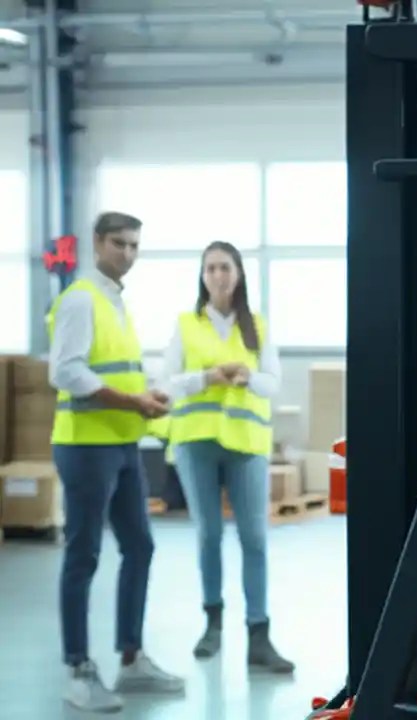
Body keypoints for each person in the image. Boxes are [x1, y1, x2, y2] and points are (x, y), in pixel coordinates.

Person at [48, 211, 186, 713]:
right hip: (86, 446)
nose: (127, 254)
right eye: (118, 244)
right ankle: (77, 669)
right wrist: (134, 403)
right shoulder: (81, 298)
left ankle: (131, 660)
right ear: (97, 243)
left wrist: (146, 395)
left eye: (133, 245)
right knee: (83, 554)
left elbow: (114, 371)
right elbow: (65, 372)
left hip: (123, 443)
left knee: (140, 547)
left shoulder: (113, 301)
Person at [163, 241, 295, 674]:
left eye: (225, 267)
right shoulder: (185, 325)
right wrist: (207, 377)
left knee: (255, 538)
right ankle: (212, 626)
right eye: (211, 268)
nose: (218, 275)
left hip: (246, 444)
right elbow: (166, 383)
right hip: (196, 442)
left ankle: (259, 635)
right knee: (208, 535)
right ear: (202, 276)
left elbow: (274, 383)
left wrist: (247, 376)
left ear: (238, 274)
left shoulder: (257, 325)